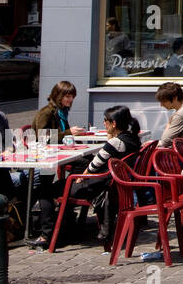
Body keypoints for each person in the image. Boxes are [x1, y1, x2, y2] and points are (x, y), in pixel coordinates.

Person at [31, 105, 141, 247]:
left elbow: (92, 167)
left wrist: (80, 177)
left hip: (98, 186)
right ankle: (66, 225)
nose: (103, 123)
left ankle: (46, 236)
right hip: (113, 185)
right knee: (70, 177)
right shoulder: (133, 139)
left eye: (105, 121)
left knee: (45, 190)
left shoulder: (114, 144)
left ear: (113, 124)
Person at [155, 82, 183, 148]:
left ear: (174, 98)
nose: (161, 105)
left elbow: (165, 142)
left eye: (164, 101)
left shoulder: (181, 114)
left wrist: (170, 122)